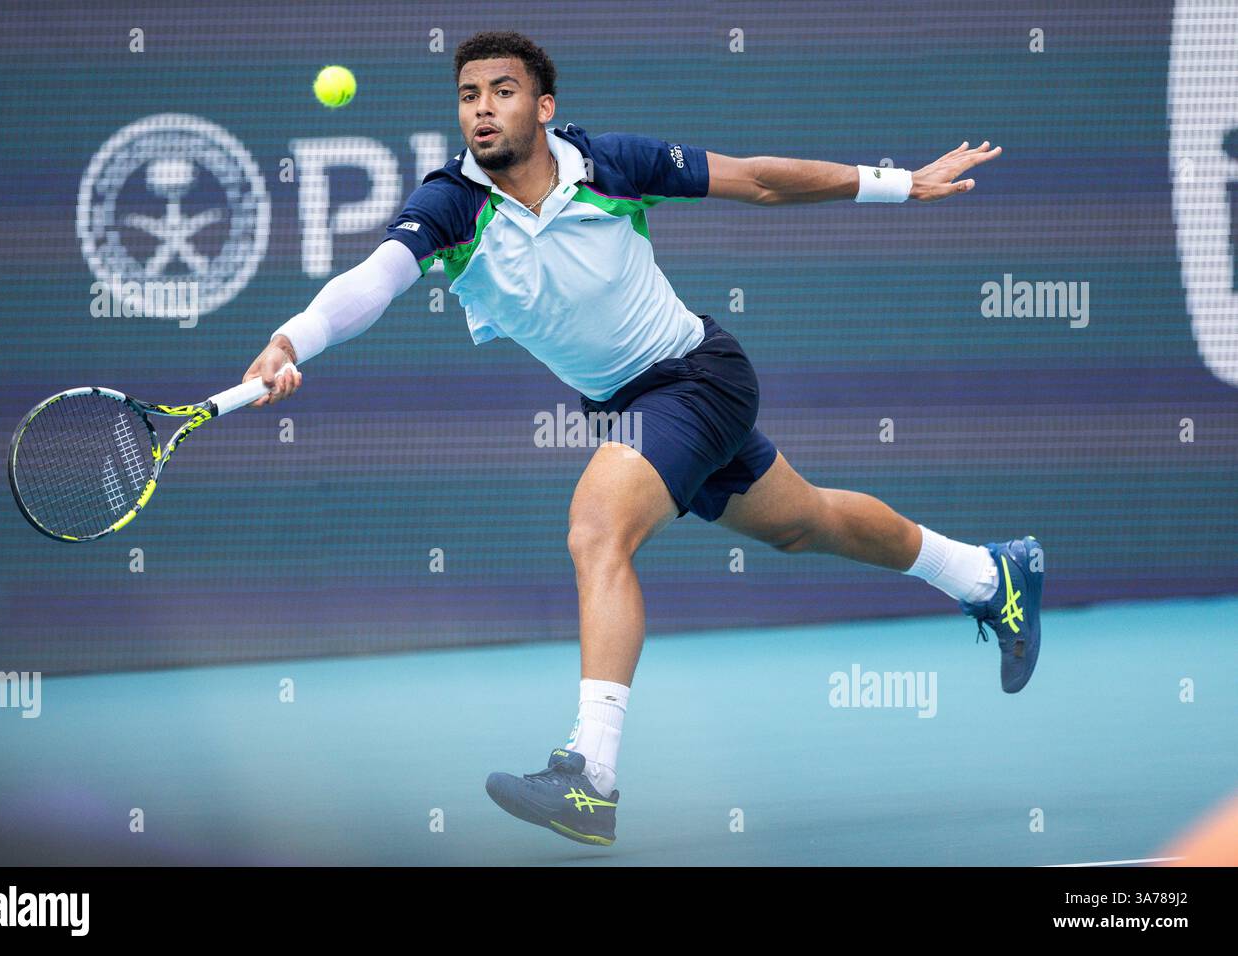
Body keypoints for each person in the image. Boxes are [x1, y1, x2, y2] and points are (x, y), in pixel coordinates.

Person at [240, 31, 1041, 847]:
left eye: (503, 90)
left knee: (597, 529)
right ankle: (988, 574)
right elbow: (372, 280)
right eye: (469, 94)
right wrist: (293, 341)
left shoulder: (611, 164)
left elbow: (758, 180)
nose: (483, 108)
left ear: (544, 106)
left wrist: (899, 183)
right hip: (629, 406)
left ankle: (591, 775)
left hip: (697, 375)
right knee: (808, 522)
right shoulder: (450, 203)